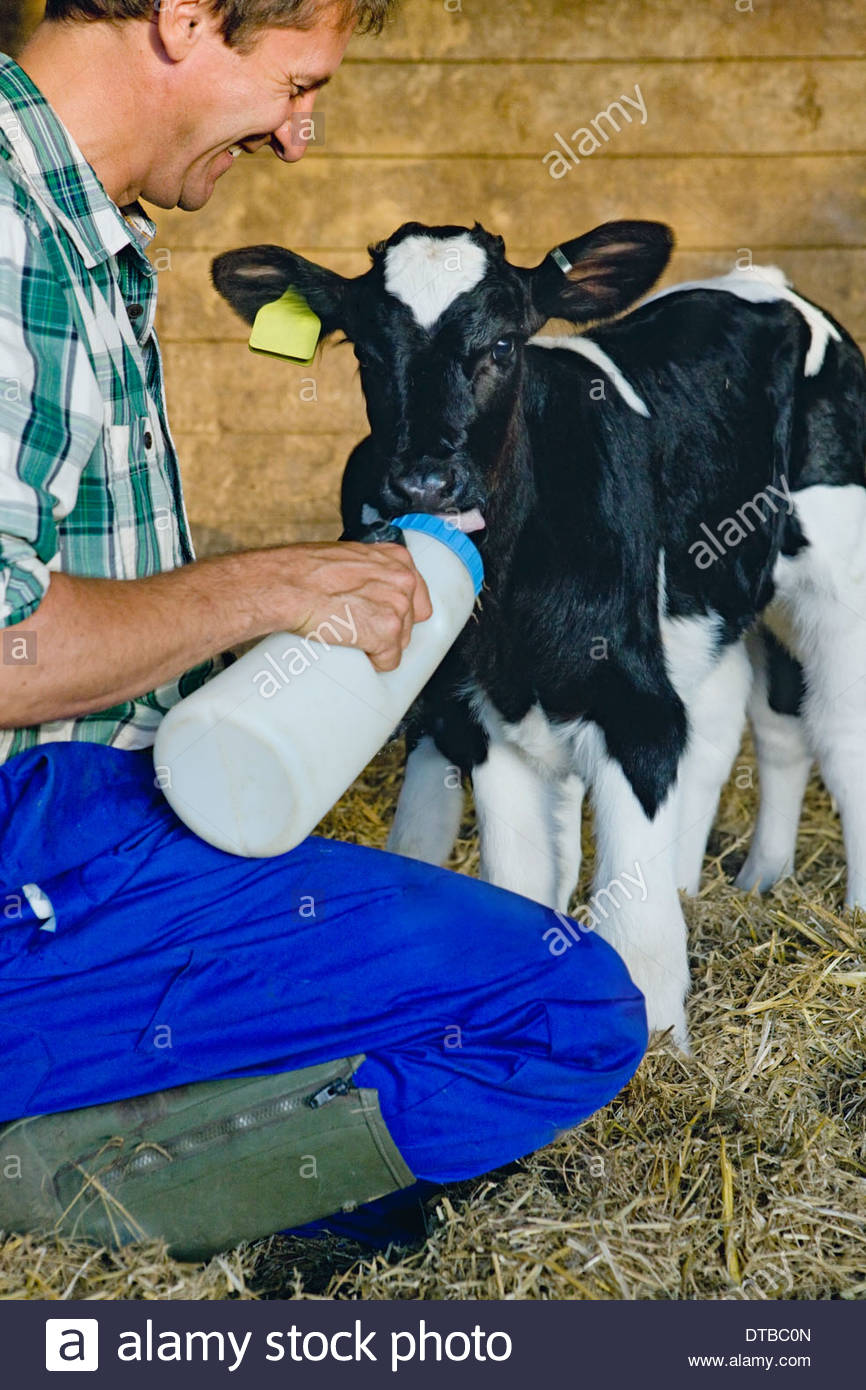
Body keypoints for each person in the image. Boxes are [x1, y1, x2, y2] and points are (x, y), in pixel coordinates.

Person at [0, 0, 647, 1261]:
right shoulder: (11, 230)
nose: (298, 136)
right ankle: (62, 1176)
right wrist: (274, 586)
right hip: (41, 853)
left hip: (95, 824)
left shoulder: (76, 229)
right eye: (298, 84)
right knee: (558, 1007)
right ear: (185, 18)